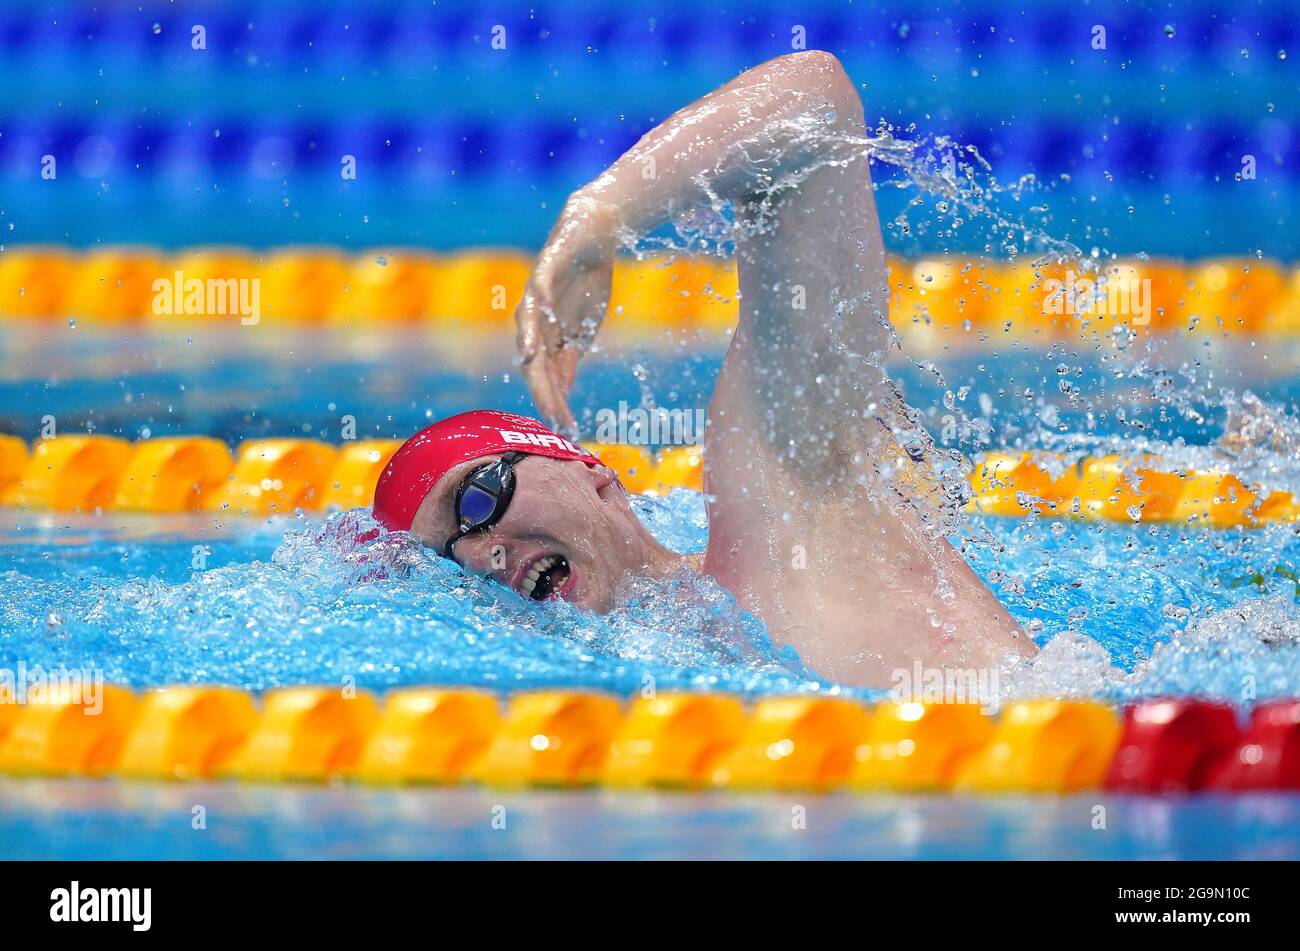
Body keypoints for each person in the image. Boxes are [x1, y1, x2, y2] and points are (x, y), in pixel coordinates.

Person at [373, 51, 1034, 688]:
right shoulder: (637, 705)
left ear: (587, 468)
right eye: (446, 563)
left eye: (478, 497)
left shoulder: (789, 520)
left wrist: (599, 217)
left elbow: (815, 102)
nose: (480, 554)